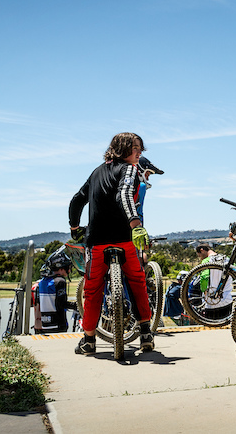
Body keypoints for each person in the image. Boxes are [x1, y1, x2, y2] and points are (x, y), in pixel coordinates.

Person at [69, 132, 156, 355]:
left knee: (93, 289)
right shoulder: (130, 169)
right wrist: (135, 223)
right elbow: (124, 195)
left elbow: (77, 200)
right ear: (122, 149)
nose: (138, 153)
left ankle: (89, 340)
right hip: (124, 237)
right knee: (137, 281)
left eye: (140, 149)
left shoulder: (96, 172)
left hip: (96, 241)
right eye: (134, 148)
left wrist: (74, 227)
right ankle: (146, 333)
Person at [34, 247, 76, 335]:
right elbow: (61, 304)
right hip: (58, 325)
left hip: (45, 325)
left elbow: (38, 304)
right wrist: (76, 305)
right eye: (67, 267)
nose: (69, 270)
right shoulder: (60, 281)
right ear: (60, 268)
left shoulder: (42, 282)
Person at [192, 243, 233, 321]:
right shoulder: (226, 258)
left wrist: (204, 290)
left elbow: (204, 277)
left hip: (212, 303)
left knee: (213, 328)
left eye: (199, 255)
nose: (200, 258)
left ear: (202, 250)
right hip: (227, 300)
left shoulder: (206, 261)